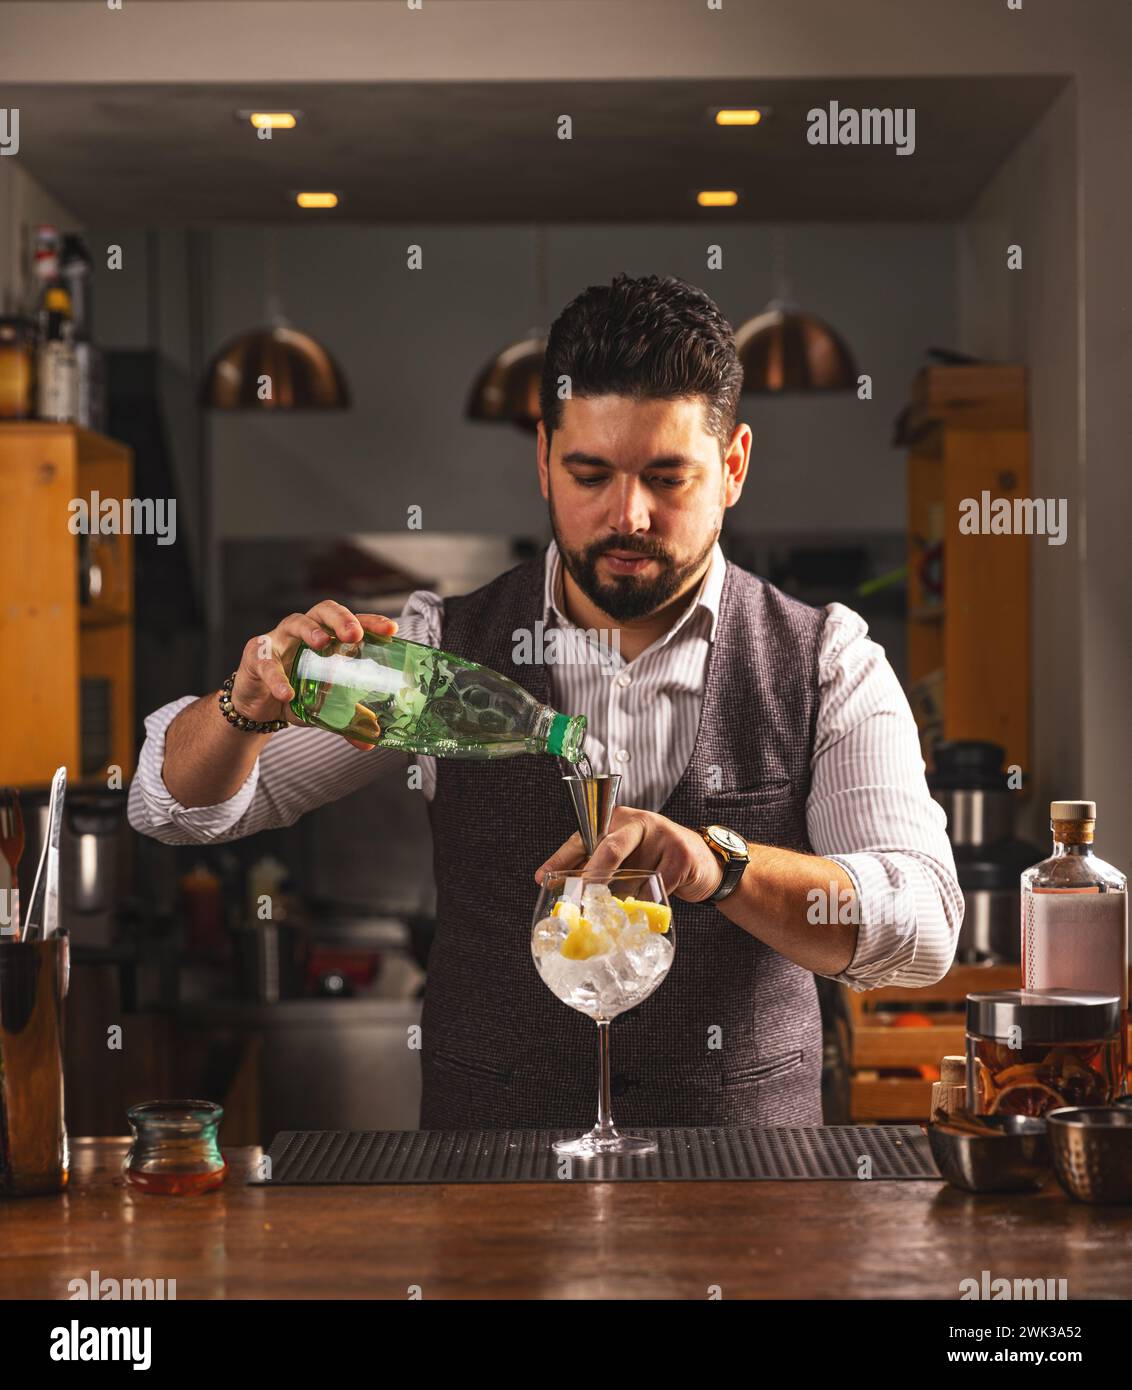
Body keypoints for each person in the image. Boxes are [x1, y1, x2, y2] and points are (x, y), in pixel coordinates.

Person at [129, 273, 962, 1129]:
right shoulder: (436, 652)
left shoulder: (827, 659)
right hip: (492, 1195)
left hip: (746, 1200)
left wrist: (720, 864)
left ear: (734, 467)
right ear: (543, 460)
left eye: (668, 478)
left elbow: (926, 928)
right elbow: (175, 808)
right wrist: (246, 706)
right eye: (590, 473)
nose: (626, 516)